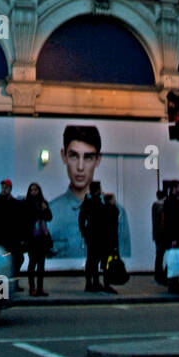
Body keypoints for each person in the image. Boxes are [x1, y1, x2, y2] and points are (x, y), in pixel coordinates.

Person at [47, 124, 131, 259]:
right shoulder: (50, 214)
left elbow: (125, 259)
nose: (80, 167)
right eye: (74, 156)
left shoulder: (117, 213)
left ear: (97, 159)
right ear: (64, 156)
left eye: (88, 157)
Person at [0, 179, 25, 289]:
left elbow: (19, 221)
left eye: (6, 187)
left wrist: (21, 236)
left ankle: (14, 283)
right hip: (1, 237)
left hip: (13, 237)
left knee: (17, 259)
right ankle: (3, 285)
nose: (4, 189)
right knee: (3, 261)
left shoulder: (14, 202)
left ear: (10, 188)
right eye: (3, 187)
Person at [23, 183, 52, 297]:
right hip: (32, 238)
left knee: (41, 265)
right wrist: (42, 212)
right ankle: (32, 288)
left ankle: (40, 288)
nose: (34, 192)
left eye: (36, 190)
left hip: (42, 238)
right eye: (32, 190)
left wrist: (45, 209)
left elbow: (49, 217)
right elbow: (30, 218)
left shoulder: (43, 203)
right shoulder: (27, 204)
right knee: (32, 263)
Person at [79, 182, 107, 293]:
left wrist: (84, 232)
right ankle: (94, 282)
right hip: (98, 235)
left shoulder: (87, 203)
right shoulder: (99, 203)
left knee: (91, 260)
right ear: (98, 190)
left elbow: (81, 219)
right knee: (95, 260)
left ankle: (90, 283)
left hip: (90, 234)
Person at [152, 187, 168, 285]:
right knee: (161, 255)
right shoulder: (160, 207)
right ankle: (161, 275)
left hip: (157, 235)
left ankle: (159, 274)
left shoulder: (155, 206)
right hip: (161, 235)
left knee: (159, 256)